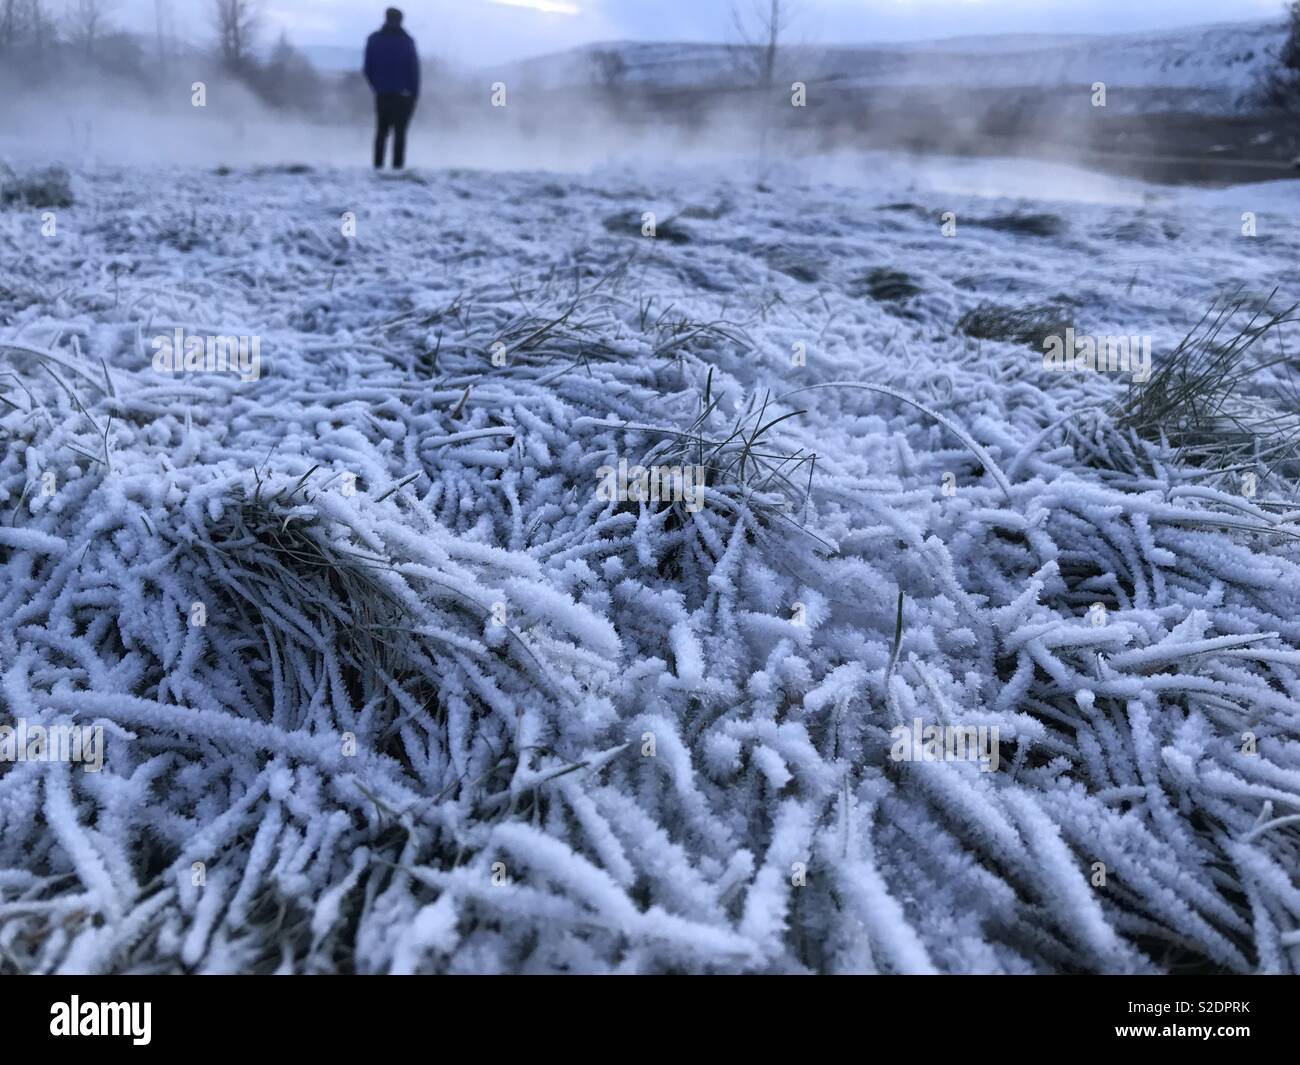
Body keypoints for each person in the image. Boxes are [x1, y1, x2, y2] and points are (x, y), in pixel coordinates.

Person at [363, 8, 420, 170]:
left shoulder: (374, 40)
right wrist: (414, 94)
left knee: (381, 131)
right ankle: (397, 168)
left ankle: (378, 165)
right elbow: (414, 70)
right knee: (400, 133)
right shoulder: (407, 41)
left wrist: (377, 86)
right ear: (401, 20)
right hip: (403, 95)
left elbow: (368, 69)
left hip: (382, 93)